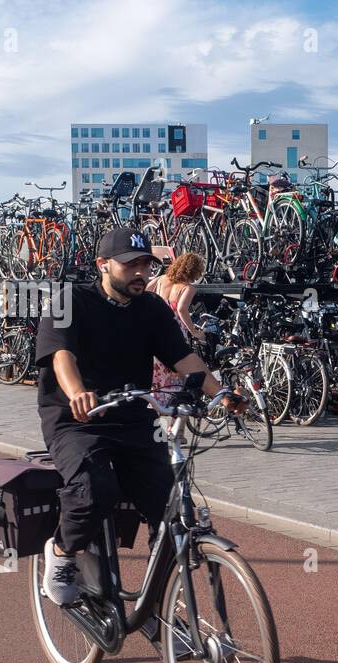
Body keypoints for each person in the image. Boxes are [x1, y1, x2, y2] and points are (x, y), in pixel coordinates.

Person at [35, 227, 244, 608]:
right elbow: (60, 355)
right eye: (130, 265)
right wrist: (77, 392)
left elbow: (183, 359)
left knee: (171, 511)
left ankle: (156, 610)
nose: (140, 273)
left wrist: (222, 394)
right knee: (94, 490)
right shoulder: (72, 301)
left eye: (145, 264)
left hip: (132, 416)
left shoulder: (150, 308)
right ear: (103, 266)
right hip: (76, 419)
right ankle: (63, 554)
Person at [150, 251, 208, 398]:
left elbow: (144, 292)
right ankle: (178, 409)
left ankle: (158, 403)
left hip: (155, 330)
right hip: (174, 332)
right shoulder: (188, 288)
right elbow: (182, 309)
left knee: (158, 374)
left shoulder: (161, 279)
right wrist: (195, 331)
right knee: (178, 370)